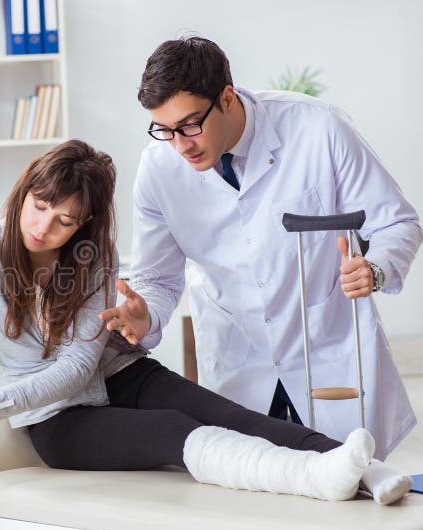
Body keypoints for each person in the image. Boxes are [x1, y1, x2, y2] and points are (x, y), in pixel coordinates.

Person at [0, 139, 411, 505]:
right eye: (38, 206)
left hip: (120, 374)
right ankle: (320, 479)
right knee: (173, 431)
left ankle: (371, 470)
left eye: (64, 220)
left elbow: (79, 363)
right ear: (24, 191)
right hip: (56, 418)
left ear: (84, 223)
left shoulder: (95, 255)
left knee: (231, 414)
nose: (43, 227)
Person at [100, 36, 422, 463]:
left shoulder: (318, 128)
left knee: (349, 491)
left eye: (190, 125)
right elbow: (158, 279)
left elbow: (398, 222)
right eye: (165, 130)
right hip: (238, 362)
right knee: (257, 496)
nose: (180, 145)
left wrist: (376, 269)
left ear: (228, 98)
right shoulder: (159, 169)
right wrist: (147, 314)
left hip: (327, 354)